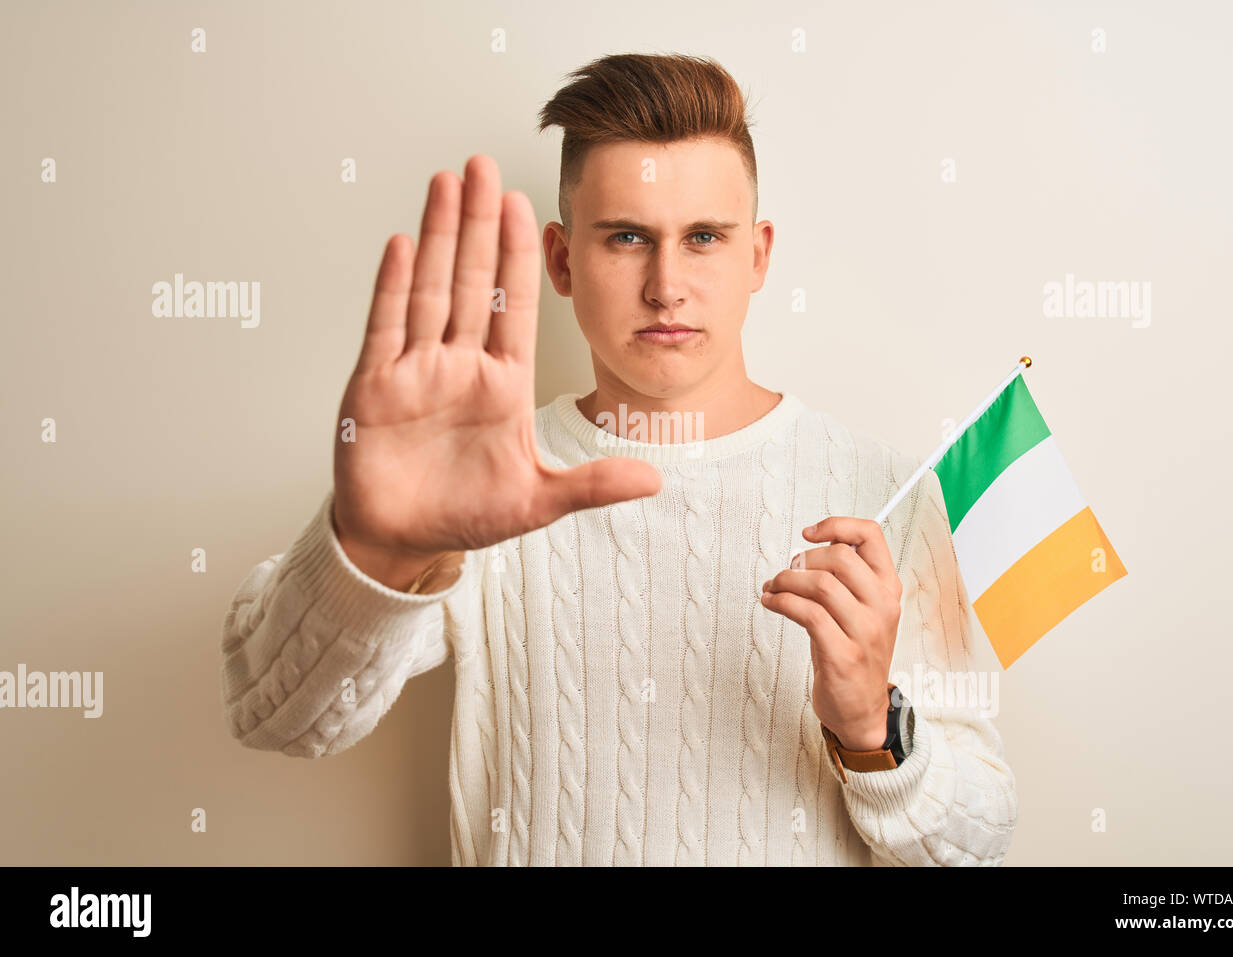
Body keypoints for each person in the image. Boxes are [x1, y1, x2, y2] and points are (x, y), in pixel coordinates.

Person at [220, 52, 1017, 866]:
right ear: (562, 260)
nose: (666, 285)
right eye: (628, 237)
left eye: (703, 237)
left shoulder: (891, 495)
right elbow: (271, 713)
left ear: (758, 256)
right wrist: (380, 549)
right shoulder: (486, 483)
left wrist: (872, 729)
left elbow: (979, 845)